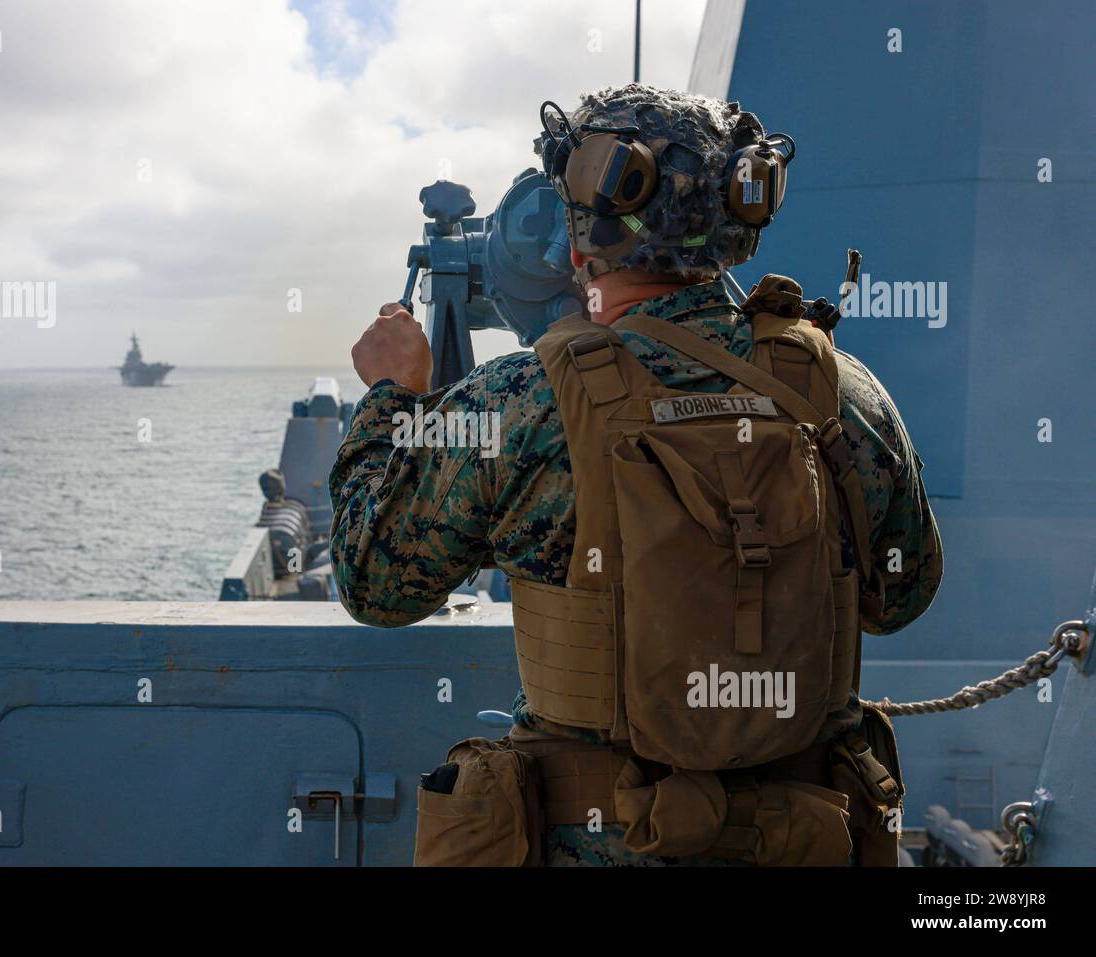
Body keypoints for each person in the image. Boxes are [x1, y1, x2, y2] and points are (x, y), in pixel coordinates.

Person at [329, 84, 942, 866]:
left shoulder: (520, 403)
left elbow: (373, 581)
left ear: (578, 238)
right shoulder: (838, 391)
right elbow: (903, 595)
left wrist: (391, 398)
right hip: (803, 837)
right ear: (736, 225)